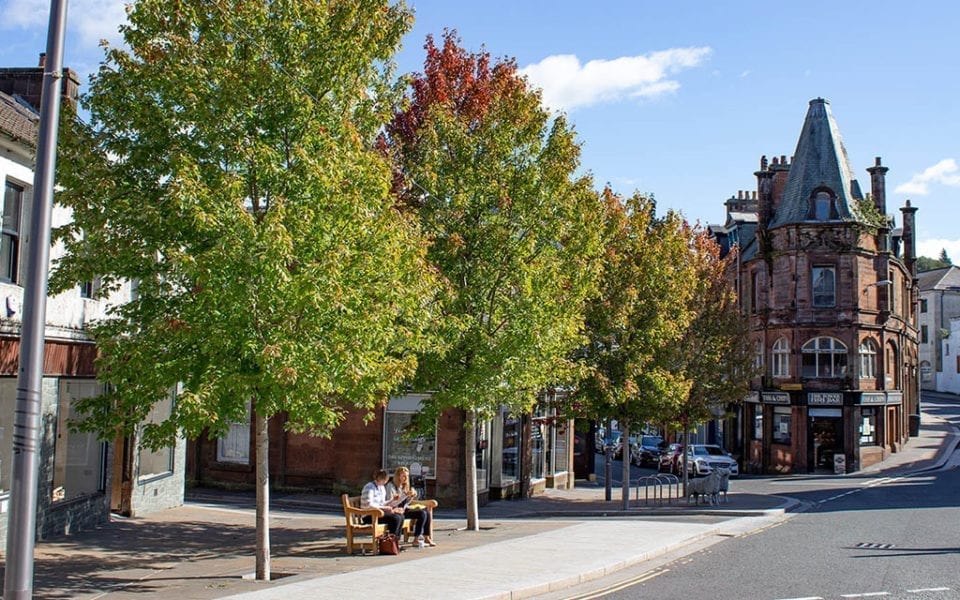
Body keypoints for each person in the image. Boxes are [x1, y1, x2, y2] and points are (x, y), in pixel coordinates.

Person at [386, 466, 436, 547]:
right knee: (422, 514)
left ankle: (426, 536)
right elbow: (391, 503)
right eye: (403, 476)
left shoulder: (404, 486)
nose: (405, 478)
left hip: (404, 509)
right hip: (395, 510)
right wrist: (405, 495)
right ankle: (416, 539)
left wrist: (411, 496)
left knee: (426, 512)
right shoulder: (391, 486)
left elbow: (406, 502)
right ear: (398, 476)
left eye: (407, 476)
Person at [360, 468, 404, 540]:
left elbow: (382, 503)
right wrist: (385, 508)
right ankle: (391, 542)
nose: (385, 481)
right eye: (383, 479)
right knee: (395, 518)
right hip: (369, 515)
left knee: (400, 516)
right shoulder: (369, 487)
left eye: (385, 479)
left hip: (379, 513)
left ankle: (395, 541)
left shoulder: (381, 487)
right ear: (378, 478)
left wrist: (392, 500)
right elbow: (369, 504)